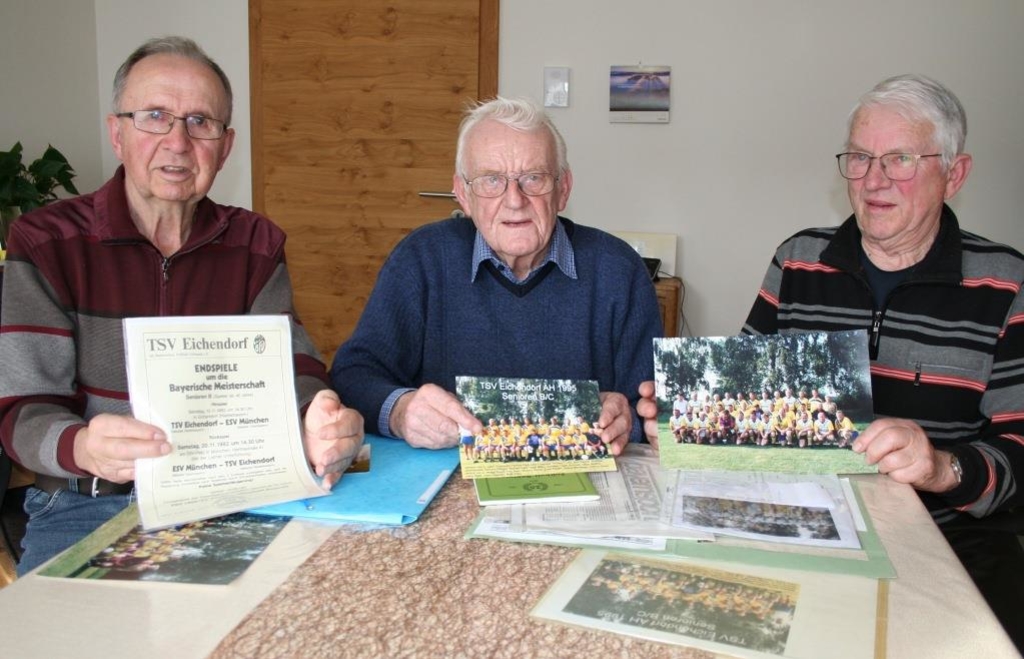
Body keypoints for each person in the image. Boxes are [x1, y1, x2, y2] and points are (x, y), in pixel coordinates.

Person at [640, 73, 1024, 647]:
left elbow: (1019, 462)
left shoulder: (1006, 284)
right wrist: (685, 421)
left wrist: (941, 467)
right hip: (797, 530)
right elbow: (743, 414)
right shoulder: (798, 261)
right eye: (860, 157)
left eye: (899, 159)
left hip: (949, 546)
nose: (873, 179)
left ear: (955, 172)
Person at [0, 37, 364, 576]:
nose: (178, 141)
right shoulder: (47, 241)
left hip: (232, 496)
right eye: (155, 116)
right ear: (117, 132)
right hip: (88, 504)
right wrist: (81, 445)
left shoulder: (255, 243)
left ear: (226, 145)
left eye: (200, 122)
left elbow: (294, 369)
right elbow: (20, 409)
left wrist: (319, 415)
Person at [331, 97, 662, 455]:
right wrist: (400, 410)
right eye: (491, 181)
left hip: (586, 488)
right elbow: (354, 373)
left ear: (563, 189)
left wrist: (629, 417)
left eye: (533, 178)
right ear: (463, 194)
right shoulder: (422, 258)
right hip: (445, 478)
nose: (514, 200)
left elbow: (649, 405)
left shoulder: (618, 269)